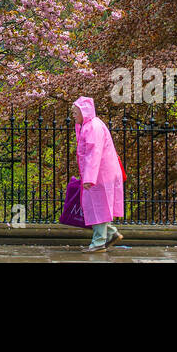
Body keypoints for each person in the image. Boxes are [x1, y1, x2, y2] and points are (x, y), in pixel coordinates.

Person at [72, 96, 125, 251]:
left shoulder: (92, 127)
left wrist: (89, 177)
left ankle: (99, 242)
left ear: (84, 112)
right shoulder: (90, 125)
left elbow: (93, 154)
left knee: (99, 206)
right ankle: (110, 233)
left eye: (76, 112)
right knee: (97, 206)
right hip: (102, 173)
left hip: (100, 175)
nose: (74, 116)